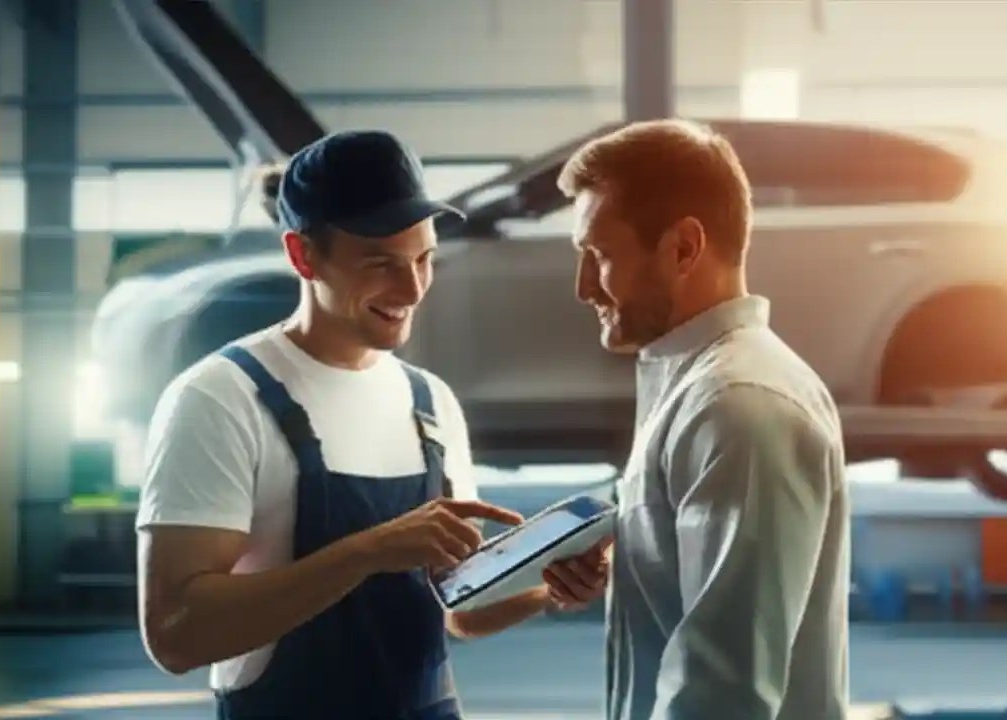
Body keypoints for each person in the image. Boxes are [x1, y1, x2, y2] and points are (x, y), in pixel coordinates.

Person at [135, 129, 597, 719]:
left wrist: (549, 589)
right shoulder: (222, 399)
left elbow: (458, 611)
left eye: (424, 259)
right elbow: (176, 634)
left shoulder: (430, 403)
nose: (410, 289)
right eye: (380, 264)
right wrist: (366, 553)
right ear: (303, 256)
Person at [555, 119, 851, 720]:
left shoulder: (738, 405)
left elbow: (723, 694)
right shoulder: (701, 387)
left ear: (684, 247)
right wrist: (635, 558)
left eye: (600, 255)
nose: (584, 287)